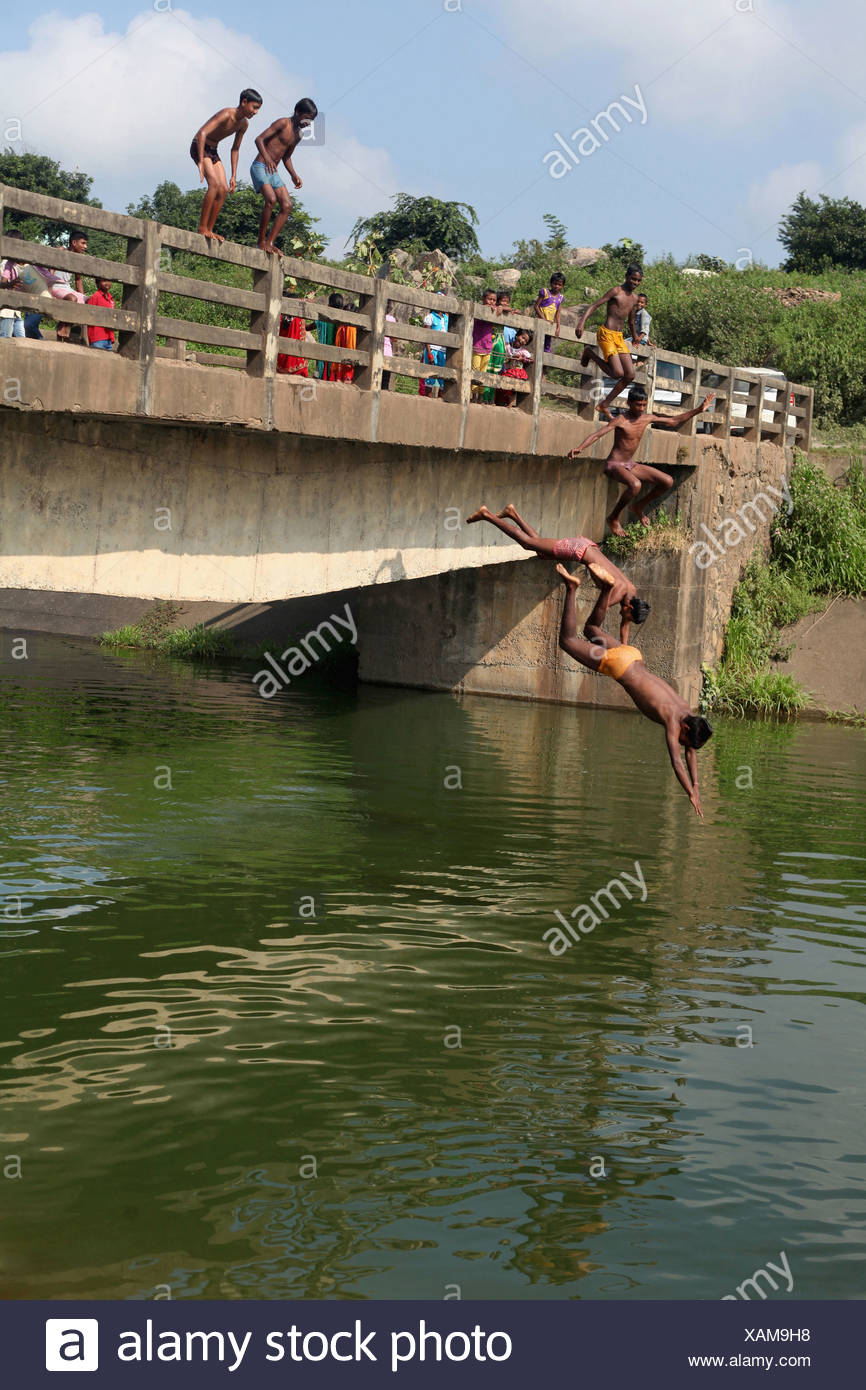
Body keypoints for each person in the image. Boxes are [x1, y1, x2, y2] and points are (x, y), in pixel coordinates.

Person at [556, 564, 711, 817]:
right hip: (620, 666)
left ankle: (607, 590)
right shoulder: (673, 723)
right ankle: (571, 588)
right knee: (568, 640)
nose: (684, 746)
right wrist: (689, 793)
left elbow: (690, 752)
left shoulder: (685, 708)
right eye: (684, 741)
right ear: (684, 729)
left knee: (590, 630)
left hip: (632, 655)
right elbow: (677, 763)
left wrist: (697, 783)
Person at [465, 502, 650, 640]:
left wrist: (625, 650)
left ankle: (512, 513)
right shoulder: (617, 592)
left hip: (587, 549)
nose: (625, 620)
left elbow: (625, 625)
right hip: (578, 550)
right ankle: (487, 515)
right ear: (629, 608)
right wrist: (598, 638)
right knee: (528, 544)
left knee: (541, 552)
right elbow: (598, 617)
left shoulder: (631, 593)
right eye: (628, 616)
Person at [568, 384, 715, 535]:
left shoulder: (647, 418)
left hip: (629, 464)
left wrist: (698, 410)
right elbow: (597, 435)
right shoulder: (620, 420)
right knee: (635, 485)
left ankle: (639, 506)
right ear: (629, 403)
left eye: (644, 405)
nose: (641, 408)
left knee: (667, 481)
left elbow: (674, 421)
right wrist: (580, 447)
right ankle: (613, 518)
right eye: (638, 405)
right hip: (614, 465)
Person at [190, 88, 263, 242]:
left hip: (213, 151)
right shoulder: (226, 114)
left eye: (258, 109)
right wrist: (200, 162)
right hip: (199, 146)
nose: (256, 112)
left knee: (223, 189)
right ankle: (202, 228)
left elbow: (235, 149)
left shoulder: (244, 124)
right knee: (214, 185)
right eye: (254, 107)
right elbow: (202, 133)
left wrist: (234, 175)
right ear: (244, 102)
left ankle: (210, 229)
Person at [251, 98, 318, 255]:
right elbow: (259, 139)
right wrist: (267, 158)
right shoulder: (283, 123)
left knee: (287, 205)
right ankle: (261, 242)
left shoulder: (299, 134)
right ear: (297, 113)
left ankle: (270, 242)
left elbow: (286, 157)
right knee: (271, 200)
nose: (308, 123)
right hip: (260, 166)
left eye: (311, 120)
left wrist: (294, 175)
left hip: (273, 172)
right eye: (307, 118)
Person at [577, 263, 644, 417]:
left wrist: (635, 336)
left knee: (630, 375)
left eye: (638, 281)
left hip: (619, 337)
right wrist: (581, 322)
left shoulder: (635, 298)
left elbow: (631, 321)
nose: (635, 283)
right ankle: (589, 353)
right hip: (606, 333)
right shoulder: (616, 291)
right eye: (633, 279)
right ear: (627, 277)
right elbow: (594, 305)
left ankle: (605, 404)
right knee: (617, 373)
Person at [420, 292, 449, 398]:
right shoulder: (430, 317)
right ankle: (428, 398)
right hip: (432, 349)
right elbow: (426, 336)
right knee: (430, 375)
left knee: (442, 376)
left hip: (443, 351)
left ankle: (441, 399)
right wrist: (429, 353)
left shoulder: (446, 318)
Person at [472, 287, 498, 400]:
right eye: (489, 299)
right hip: (477, 346)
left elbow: (509, 309)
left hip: (487, 347)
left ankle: (480, 396)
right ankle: (473, 395)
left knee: (483, 372)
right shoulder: (478, 309)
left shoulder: (494, 311)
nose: (491, 302)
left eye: (494, 300)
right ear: (483, 299)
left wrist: (500, 307)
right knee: (475, 370)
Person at [495, 329, 532, 408]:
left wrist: (523, 359)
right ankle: (500, 401)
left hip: (516, 371)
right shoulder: (507, 346)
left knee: (513, 383)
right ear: (517, 335)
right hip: (505, 369)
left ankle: (511, 402)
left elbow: (531, 360)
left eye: (525, 340)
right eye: (522, 337)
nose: (522, 340)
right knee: (502, 386)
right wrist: (509, 358)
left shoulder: (523, 351)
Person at [0, 230, 27, 338]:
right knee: (5, 337)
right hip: (6, 311)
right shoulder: (5, 264)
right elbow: (3, 283)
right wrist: (8, 285)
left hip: (16, 310)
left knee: (21, 339)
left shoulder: (19, 264)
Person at [533, 271, 566, 354]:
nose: (557, 286)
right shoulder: (545, 292)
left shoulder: (561, 298)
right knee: (537, 347)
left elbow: (558, 313)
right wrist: (544, 319)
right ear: (551, 283)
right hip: (540, 322)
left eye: (559, 285)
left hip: (550, 326)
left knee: (546, 350)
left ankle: (544, 367)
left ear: (562, 286)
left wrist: (558, 326)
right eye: (555, 284)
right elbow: (536, 306)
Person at [86, 277, 116, 350]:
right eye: (104, 281)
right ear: (97, 283)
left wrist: (112, 337)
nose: (107, 283)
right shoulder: (95, 297)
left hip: (108, 337)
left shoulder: (111, 299)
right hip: (97, 337)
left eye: (109, 280)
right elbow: (88, 315)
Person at [382, 307, 397, 391]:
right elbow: (394, 338)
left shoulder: (375, 314)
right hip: (387, 350)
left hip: (374, 350)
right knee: (385, 379)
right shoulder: (391, 319)